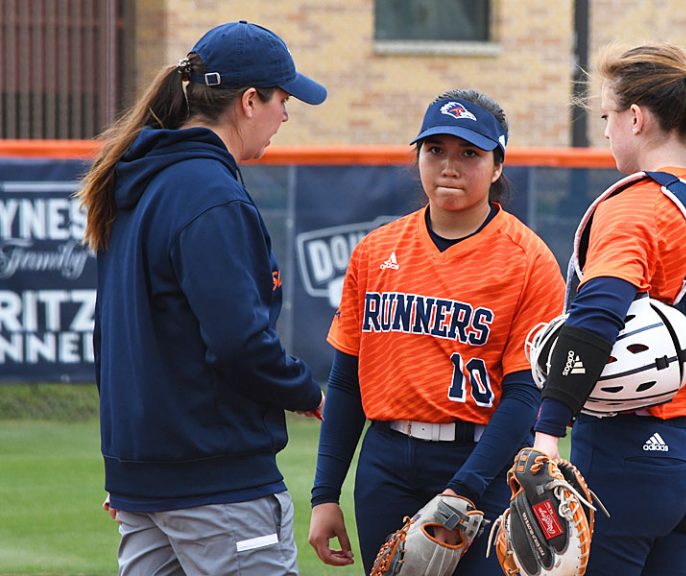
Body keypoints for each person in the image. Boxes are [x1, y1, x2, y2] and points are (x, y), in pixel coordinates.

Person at [77, 20, 327, 576]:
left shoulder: (139, 180)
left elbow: (110, 340)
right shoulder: (210, 193)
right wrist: (307, 392)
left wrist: (130, 465)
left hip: (146, 485)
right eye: (282, 100)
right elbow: (239, 343)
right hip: (219, 485)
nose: (285, 116)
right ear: (249, 101)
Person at [308, 89, 566, 574]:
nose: (449, 166)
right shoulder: (375, 251)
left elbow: (523, 396)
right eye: (435, 150)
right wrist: (325, 494)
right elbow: (346, 382)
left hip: (482, 464)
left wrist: (464, 490)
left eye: (469, 153)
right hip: (385, 464)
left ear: (497, 166)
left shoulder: (528, 260)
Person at [532, 43, 686, 576]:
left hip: (626, 454)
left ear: (636, 118)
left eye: (607, 117)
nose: (606, 131)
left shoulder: (638, 206)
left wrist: (547, 431)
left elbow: (595, 320)